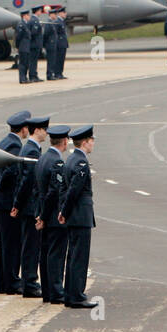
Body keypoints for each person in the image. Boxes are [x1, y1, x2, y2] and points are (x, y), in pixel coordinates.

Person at [0, 111, 28, 295]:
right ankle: (11, 282)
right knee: (11, 244)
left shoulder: (4, 142)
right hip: (7, 200)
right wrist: (0, 183)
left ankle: (3, 282)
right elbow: (11, 172)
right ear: (24, 129)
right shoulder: (15, 146)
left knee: (3, 244)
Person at [58, 124, 97, 309]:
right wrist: (64, 211)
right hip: (80, 216)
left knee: (72, 255)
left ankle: (70, 293)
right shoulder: (80, 163)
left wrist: (62, 211)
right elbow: (74, 190)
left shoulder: (71, 159)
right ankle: (76, 296)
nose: (93, 144)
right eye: (91, 141)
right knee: (79, 257)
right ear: (85, 142)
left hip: (73, 215)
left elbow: (63, 190)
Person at [11, 114, 49, 298]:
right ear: (37, 130)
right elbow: (27, 181)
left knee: (30, 245)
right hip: (30, 206)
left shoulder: (30, 148)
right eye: (44, 129)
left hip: (27, 205)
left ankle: (29, 281)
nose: (46, 133)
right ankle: (30, 283)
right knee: (31, 246)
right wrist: (18, 204)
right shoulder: (32, 151)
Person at [35, 124, 70, 304]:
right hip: (53, 216)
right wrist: (44, 215)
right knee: (56, 254)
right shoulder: (57, 162)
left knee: (46, 253)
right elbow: (53, 192)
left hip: (44, 213)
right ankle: (56, 292)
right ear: (64, 141)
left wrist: (40, 214)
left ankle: (48, 291)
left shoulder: (42, 158)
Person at [13, 9, 33, 84]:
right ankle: (22, 78)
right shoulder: (21, 25)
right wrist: (18, 46)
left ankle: (25, 77)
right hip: (23, 47)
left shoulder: (26, 24)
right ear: (24, 16)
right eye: (28, 15)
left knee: (26, 63)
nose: (29, 17)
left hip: (27, 47)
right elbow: (18, 37)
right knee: (22, 63)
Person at [24, 8, 43, 83]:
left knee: (34, 61)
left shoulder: (35, 20)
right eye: (40, 11)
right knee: (33, 61)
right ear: (37, 11)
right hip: (34, 44)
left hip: (36, 44)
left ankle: (34, 75)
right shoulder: (34, 20)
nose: (40, 12)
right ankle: (32, 76)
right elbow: (33, 33)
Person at [51, 6, 69, 79]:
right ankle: (57, 73)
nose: (65, 14)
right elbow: (55, 33)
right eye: (64, 13)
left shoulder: (61, 21)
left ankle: (60, 73)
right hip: (59, 43)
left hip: (63, 43)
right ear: (60, 13)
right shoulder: (57, 22)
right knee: (58, 59)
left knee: (61, 59)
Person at [43, 8, 60, 80]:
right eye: (55, 14)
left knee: (52, 60)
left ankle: (51, 73)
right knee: (50, 60)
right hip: (50, 45)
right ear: (51, 14)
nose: (56, 16)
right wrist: (47, 44)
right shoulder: (48, 23)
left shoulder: (52, 23)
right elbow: (46, 34)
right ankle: (49, 75)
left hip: (52, 44)